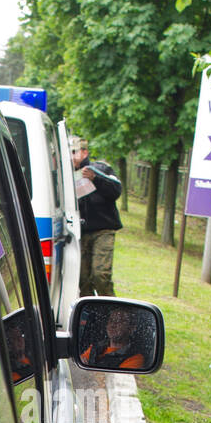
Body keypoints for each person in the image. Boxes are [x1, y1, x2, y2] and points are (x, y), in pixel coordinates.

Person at [71, 137, 123, 298]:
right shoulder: (65, 174)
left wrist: (96, 178)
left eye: (74, 152)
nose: (71, 156)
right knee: (82, 279)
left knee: (100, 275)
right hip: (79, 232)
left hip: (103, 230)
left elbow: (116, 191)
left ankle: (112, 309)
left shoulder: (101, 169)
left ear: (84, 152)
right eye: (68, 152)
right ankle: (90, 313)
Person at [82, 307, 147, 369]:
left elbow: (118, 378)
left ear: (131, 328)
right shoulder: (96, 347)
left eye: (119, 321)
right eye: (111, 320)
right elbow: (80, 363)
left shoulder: (135, 358)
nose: (113, 325)